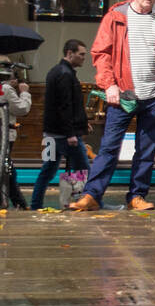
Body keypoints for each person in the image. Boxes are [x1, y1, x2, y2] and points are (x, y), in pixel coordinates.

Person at [69, 0, 155, 212]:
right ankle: (92, 195)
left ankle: (136, 197)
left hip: (154, 96)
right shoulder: (116, 16)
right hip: (122, 94)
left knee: (147, 150)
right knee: (109, 147)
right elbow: (101, 52)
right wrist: (109, 84)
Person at [31, 40, 90, 210]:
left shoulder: (55, 71)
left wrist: (83, 123)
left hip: (50, 134)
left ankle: (36, 205)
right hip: (66, 136)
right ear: (69, 53)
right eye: (81, 54)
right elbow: (65, 106)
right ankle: (83, 203)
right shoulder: (66, 74)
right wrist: (71, 133)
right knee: (83, 170)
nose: (84, 58)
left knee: (47, 170)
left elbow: (61, 106)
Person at [0, 57, 32, 209]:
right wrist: (24, 93)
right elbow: (22, 109)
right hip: (4, 134)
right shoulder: (5, 89)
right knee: (7, 169)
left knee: (8, 169)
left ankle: (19, 202)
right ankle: (20, 203)